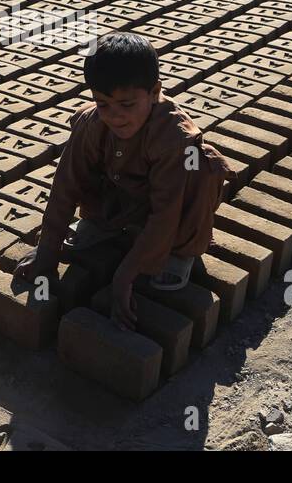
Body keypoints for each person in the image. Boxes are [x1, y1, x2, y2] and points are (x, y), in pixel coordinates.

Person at [13, 32, 230, 330]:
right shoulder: (92, 123)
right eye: (103, 103)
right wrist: (47, 251)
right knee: (86, 140)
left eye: (126, 105)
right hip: (122, 194)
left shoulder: (175, 139)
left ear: (154, 92)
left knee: (203, 167)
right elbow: (65, 187)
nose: (115, 116)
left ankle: (178, 252)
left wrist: (124, 276)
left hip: (169, 208)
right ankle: (107, 224)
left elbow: (165, 213)